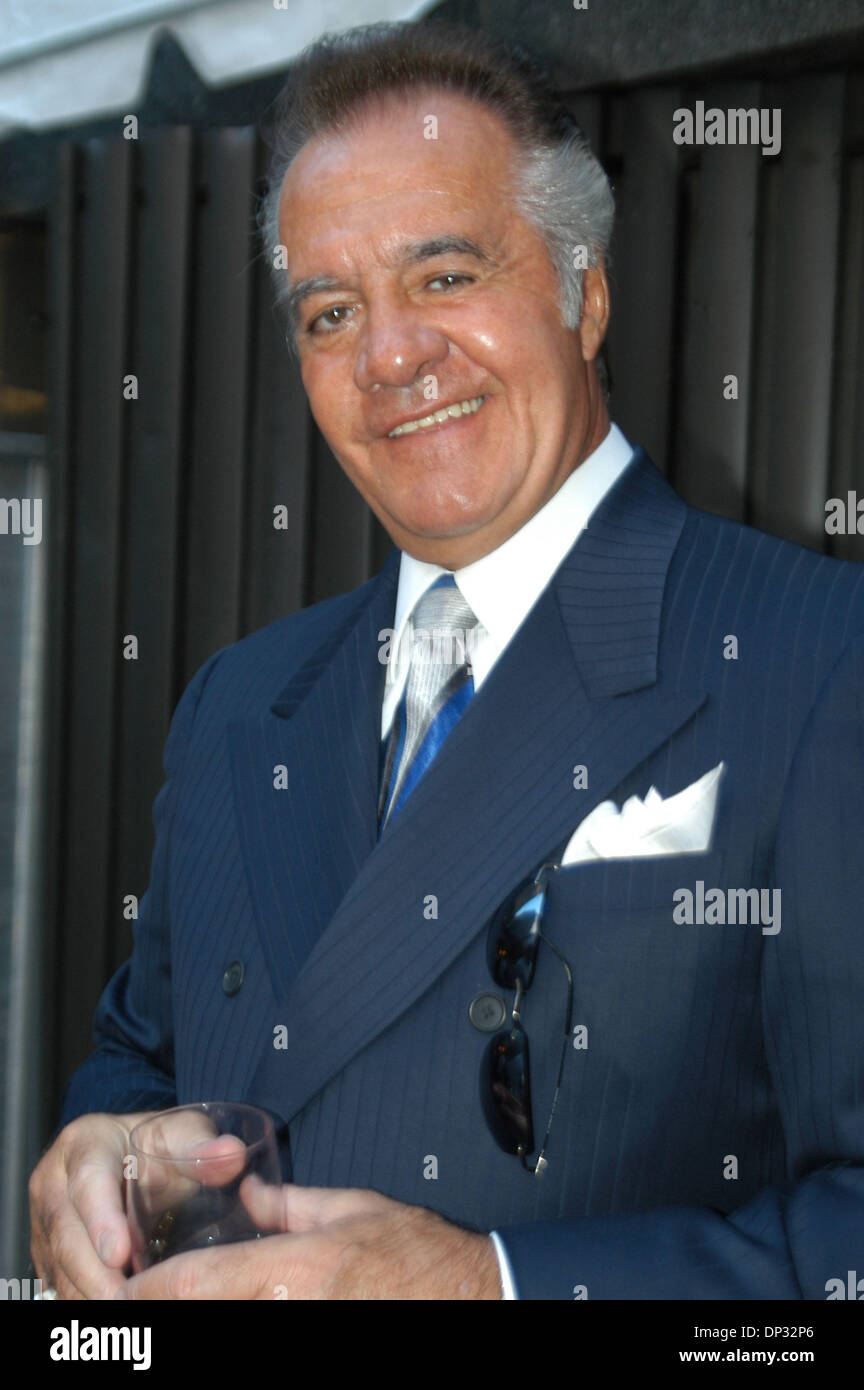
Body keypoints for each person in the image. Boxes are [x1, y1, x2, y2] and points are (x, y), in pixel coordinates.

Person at [30, 20, 864, 1300]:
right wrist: (102, 1149)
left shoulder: (818, 662)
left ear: (585, 292)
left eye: (443, 276)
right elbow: (145, 1058)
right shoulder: (241, 705)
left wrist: (496, 1285)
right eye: (330, 310)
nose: (391, 356)